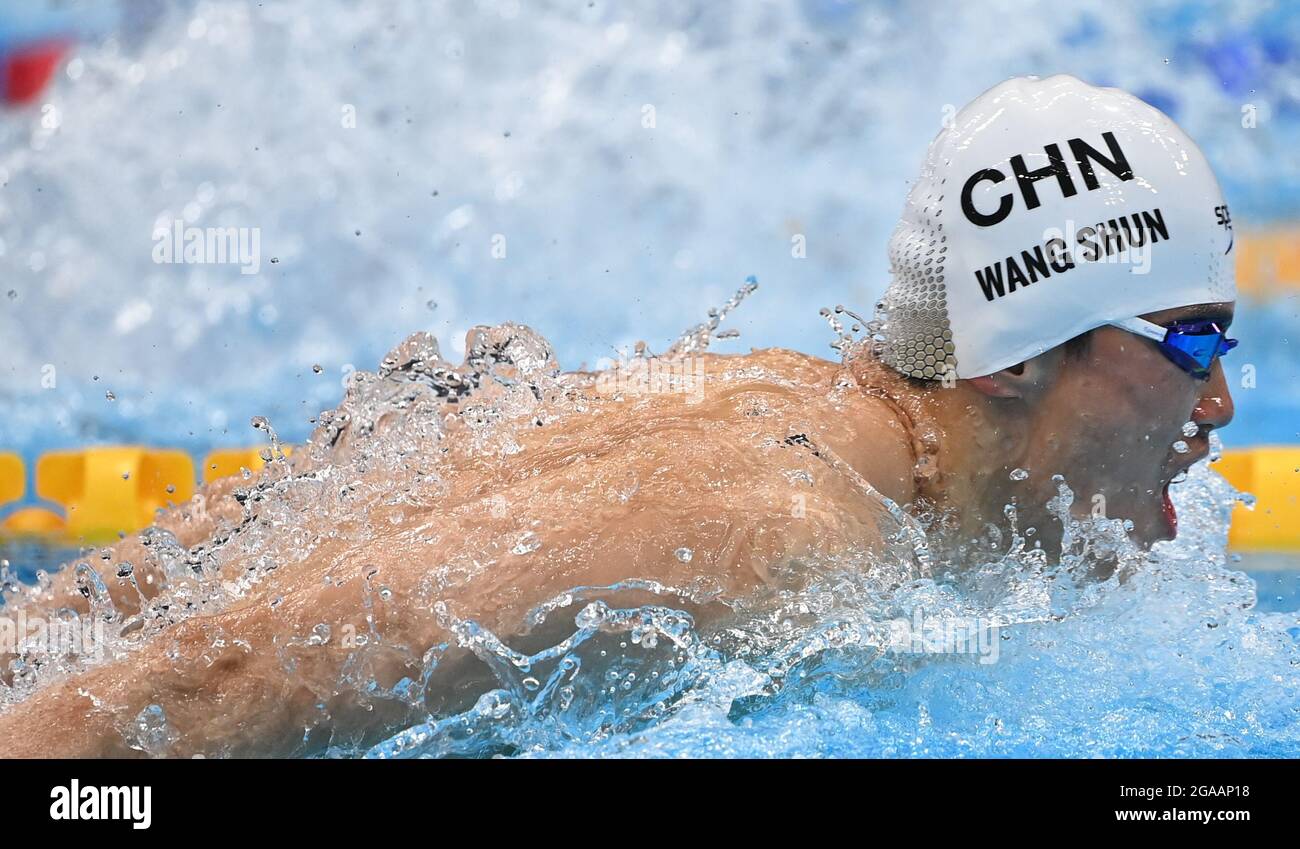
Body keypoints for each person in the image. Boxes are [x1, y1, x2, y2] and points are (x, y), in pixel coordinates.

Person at [0, 74, 1236, 757]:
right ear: (1004, 360)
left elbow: (191, 566)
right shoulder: (788, 540)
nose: (1221, 403)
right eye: (1188, 342)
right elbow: (201, 683)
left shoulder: (785, 408)